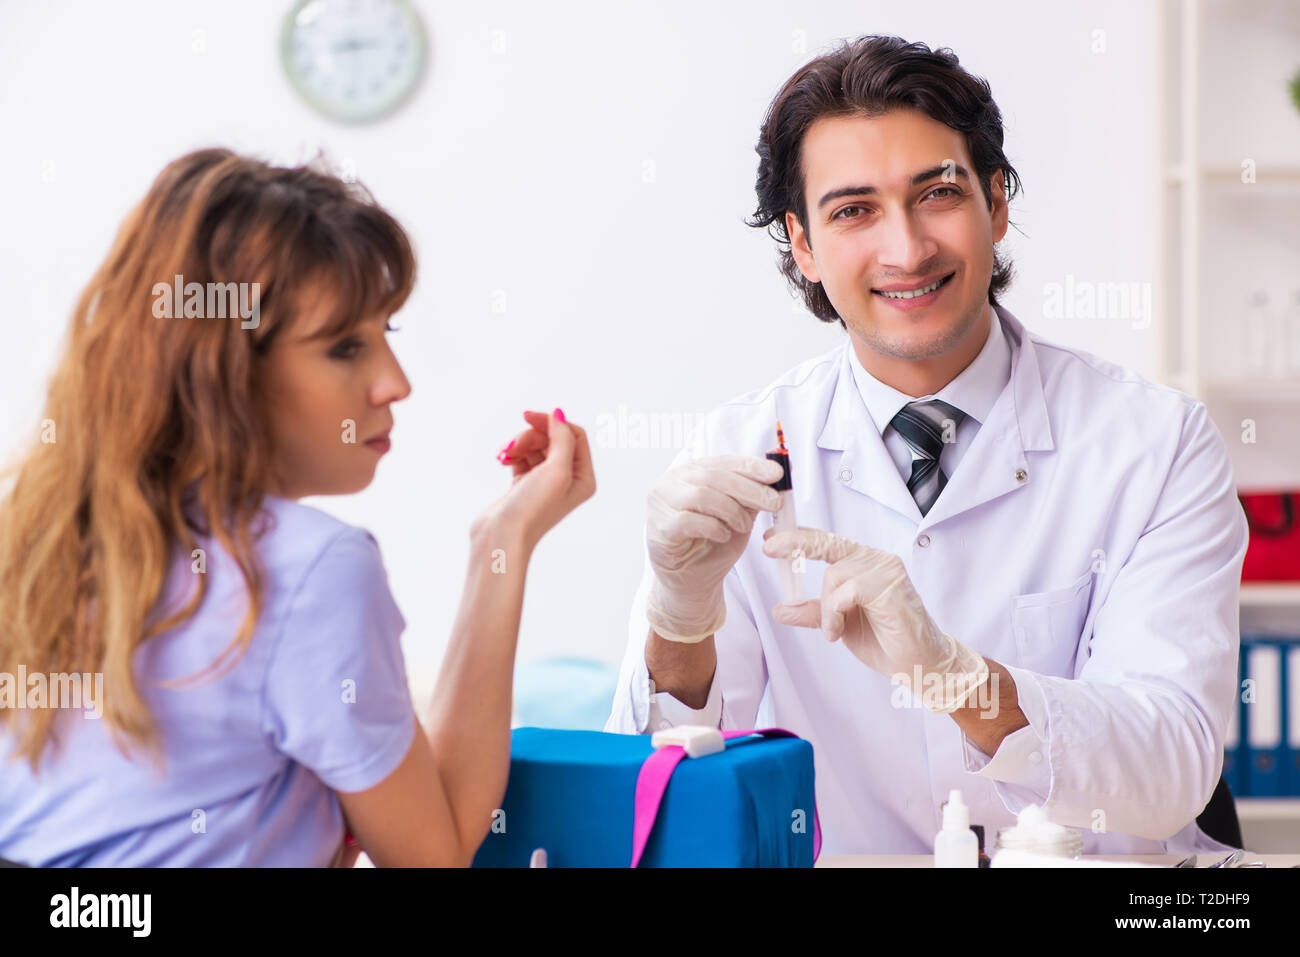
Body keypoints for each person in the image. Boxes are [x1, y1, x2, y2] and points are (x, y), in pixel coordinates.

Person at [607, 35, 1250, 856]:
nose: (907, 249)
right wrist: (679, 617)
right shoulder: (737, 449)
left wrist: (955, 675)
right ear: (802, 246)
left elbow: (1171, 767)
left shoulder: (1153, 442)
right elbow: (656, 787)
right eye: (853, 211)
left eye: (937, 194)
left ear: (996, 203)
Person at [0, 148, 594, 867]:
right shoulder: (311, 567)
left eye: (387, 334)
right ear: (224, 369)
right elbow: (432, 853)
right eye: (345, 346)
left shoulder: (37, 539)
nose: (394, 383)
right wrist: (504, 539)